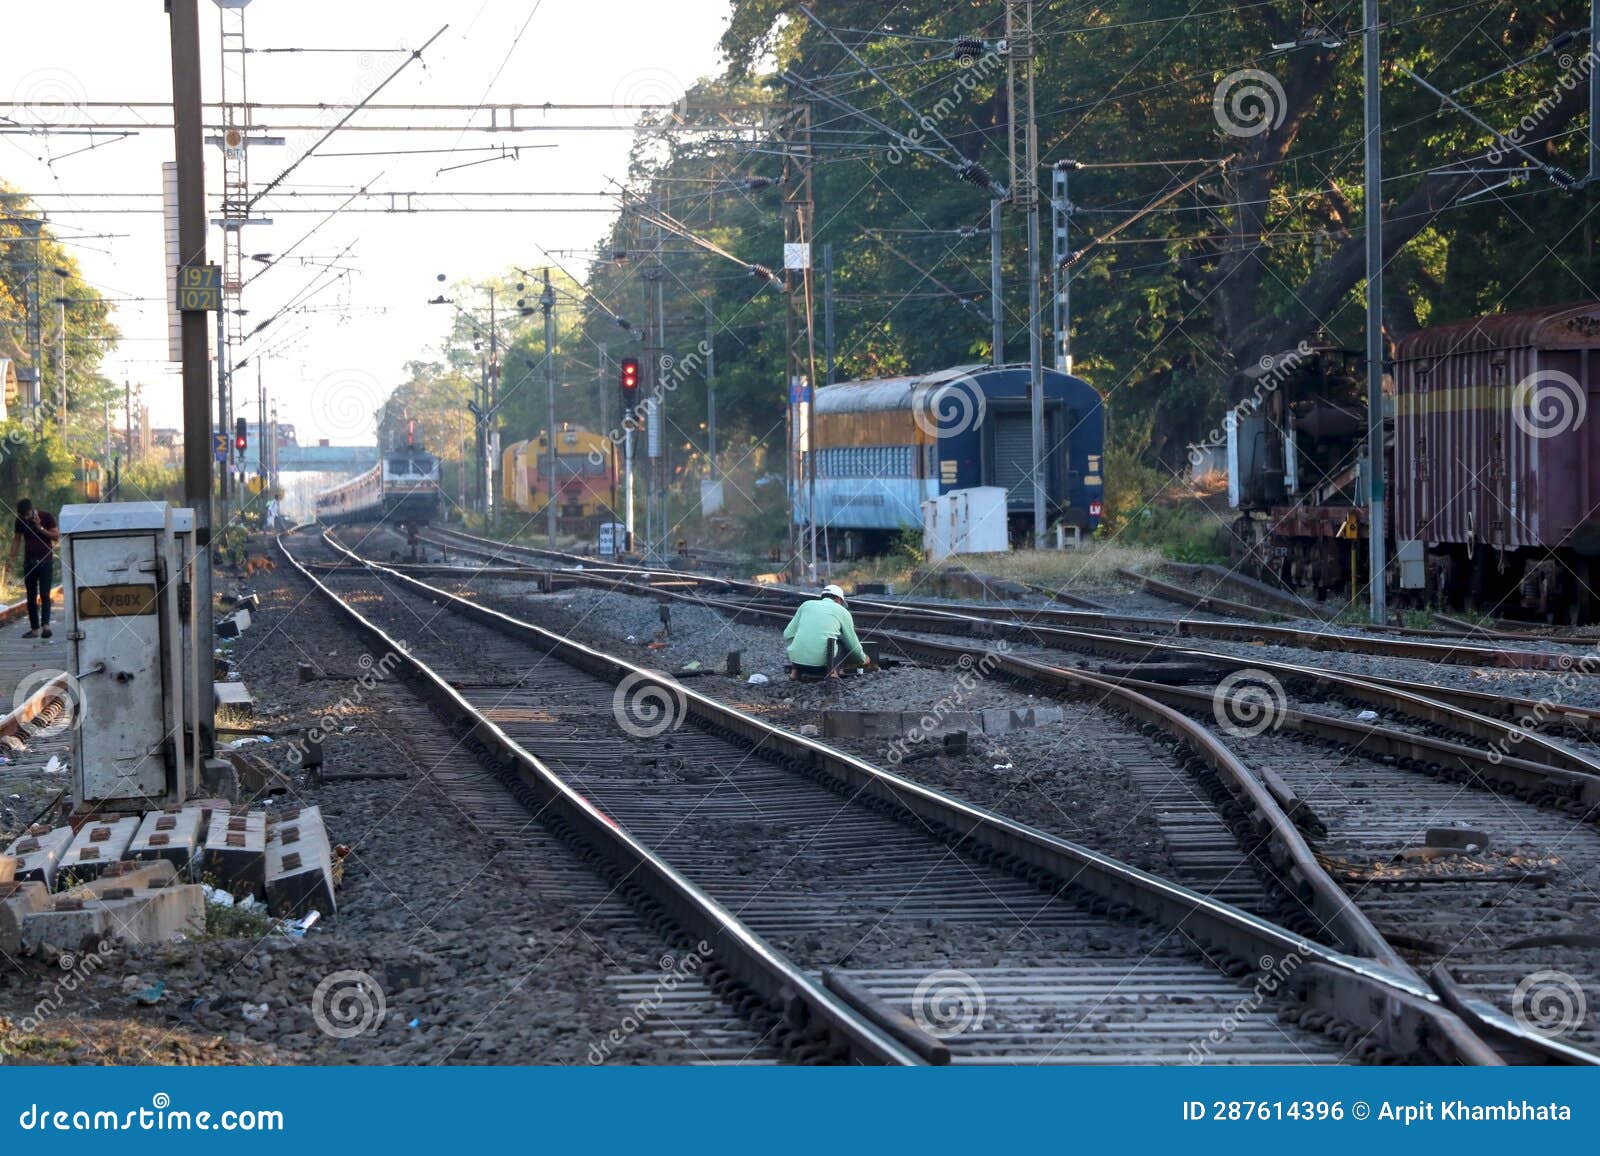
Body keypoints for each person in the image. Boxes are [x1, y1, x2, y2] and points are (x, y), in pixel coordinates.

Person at [783, 583, 872, 680]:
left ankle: (794, 673)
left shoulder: (806, 605)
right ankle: (833, 673)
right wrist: (863, 659)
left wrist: (801, 649)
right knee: (842, 642)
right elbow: (852, 643)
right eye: (842, 603)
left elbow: (787, 634)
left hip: (798, 663)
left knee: (802, 639)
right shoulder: (842, 611)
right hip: (823, 666)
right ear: (838, 599)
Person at [10, 499, 59, 639]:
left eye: (27, 514)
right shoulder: (20, 521)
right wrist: (11, 559)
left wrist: (40, 527)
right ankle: (34, 629)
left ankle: (46, 627)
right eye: (23, 515)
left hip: (46, 562)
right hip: (29, 562)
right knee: (31, 597)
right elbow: (17, 539)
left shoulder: (46, 516)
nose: (26, 517)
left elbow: (56, 536)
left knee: (44, 594)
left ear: (32, 509)